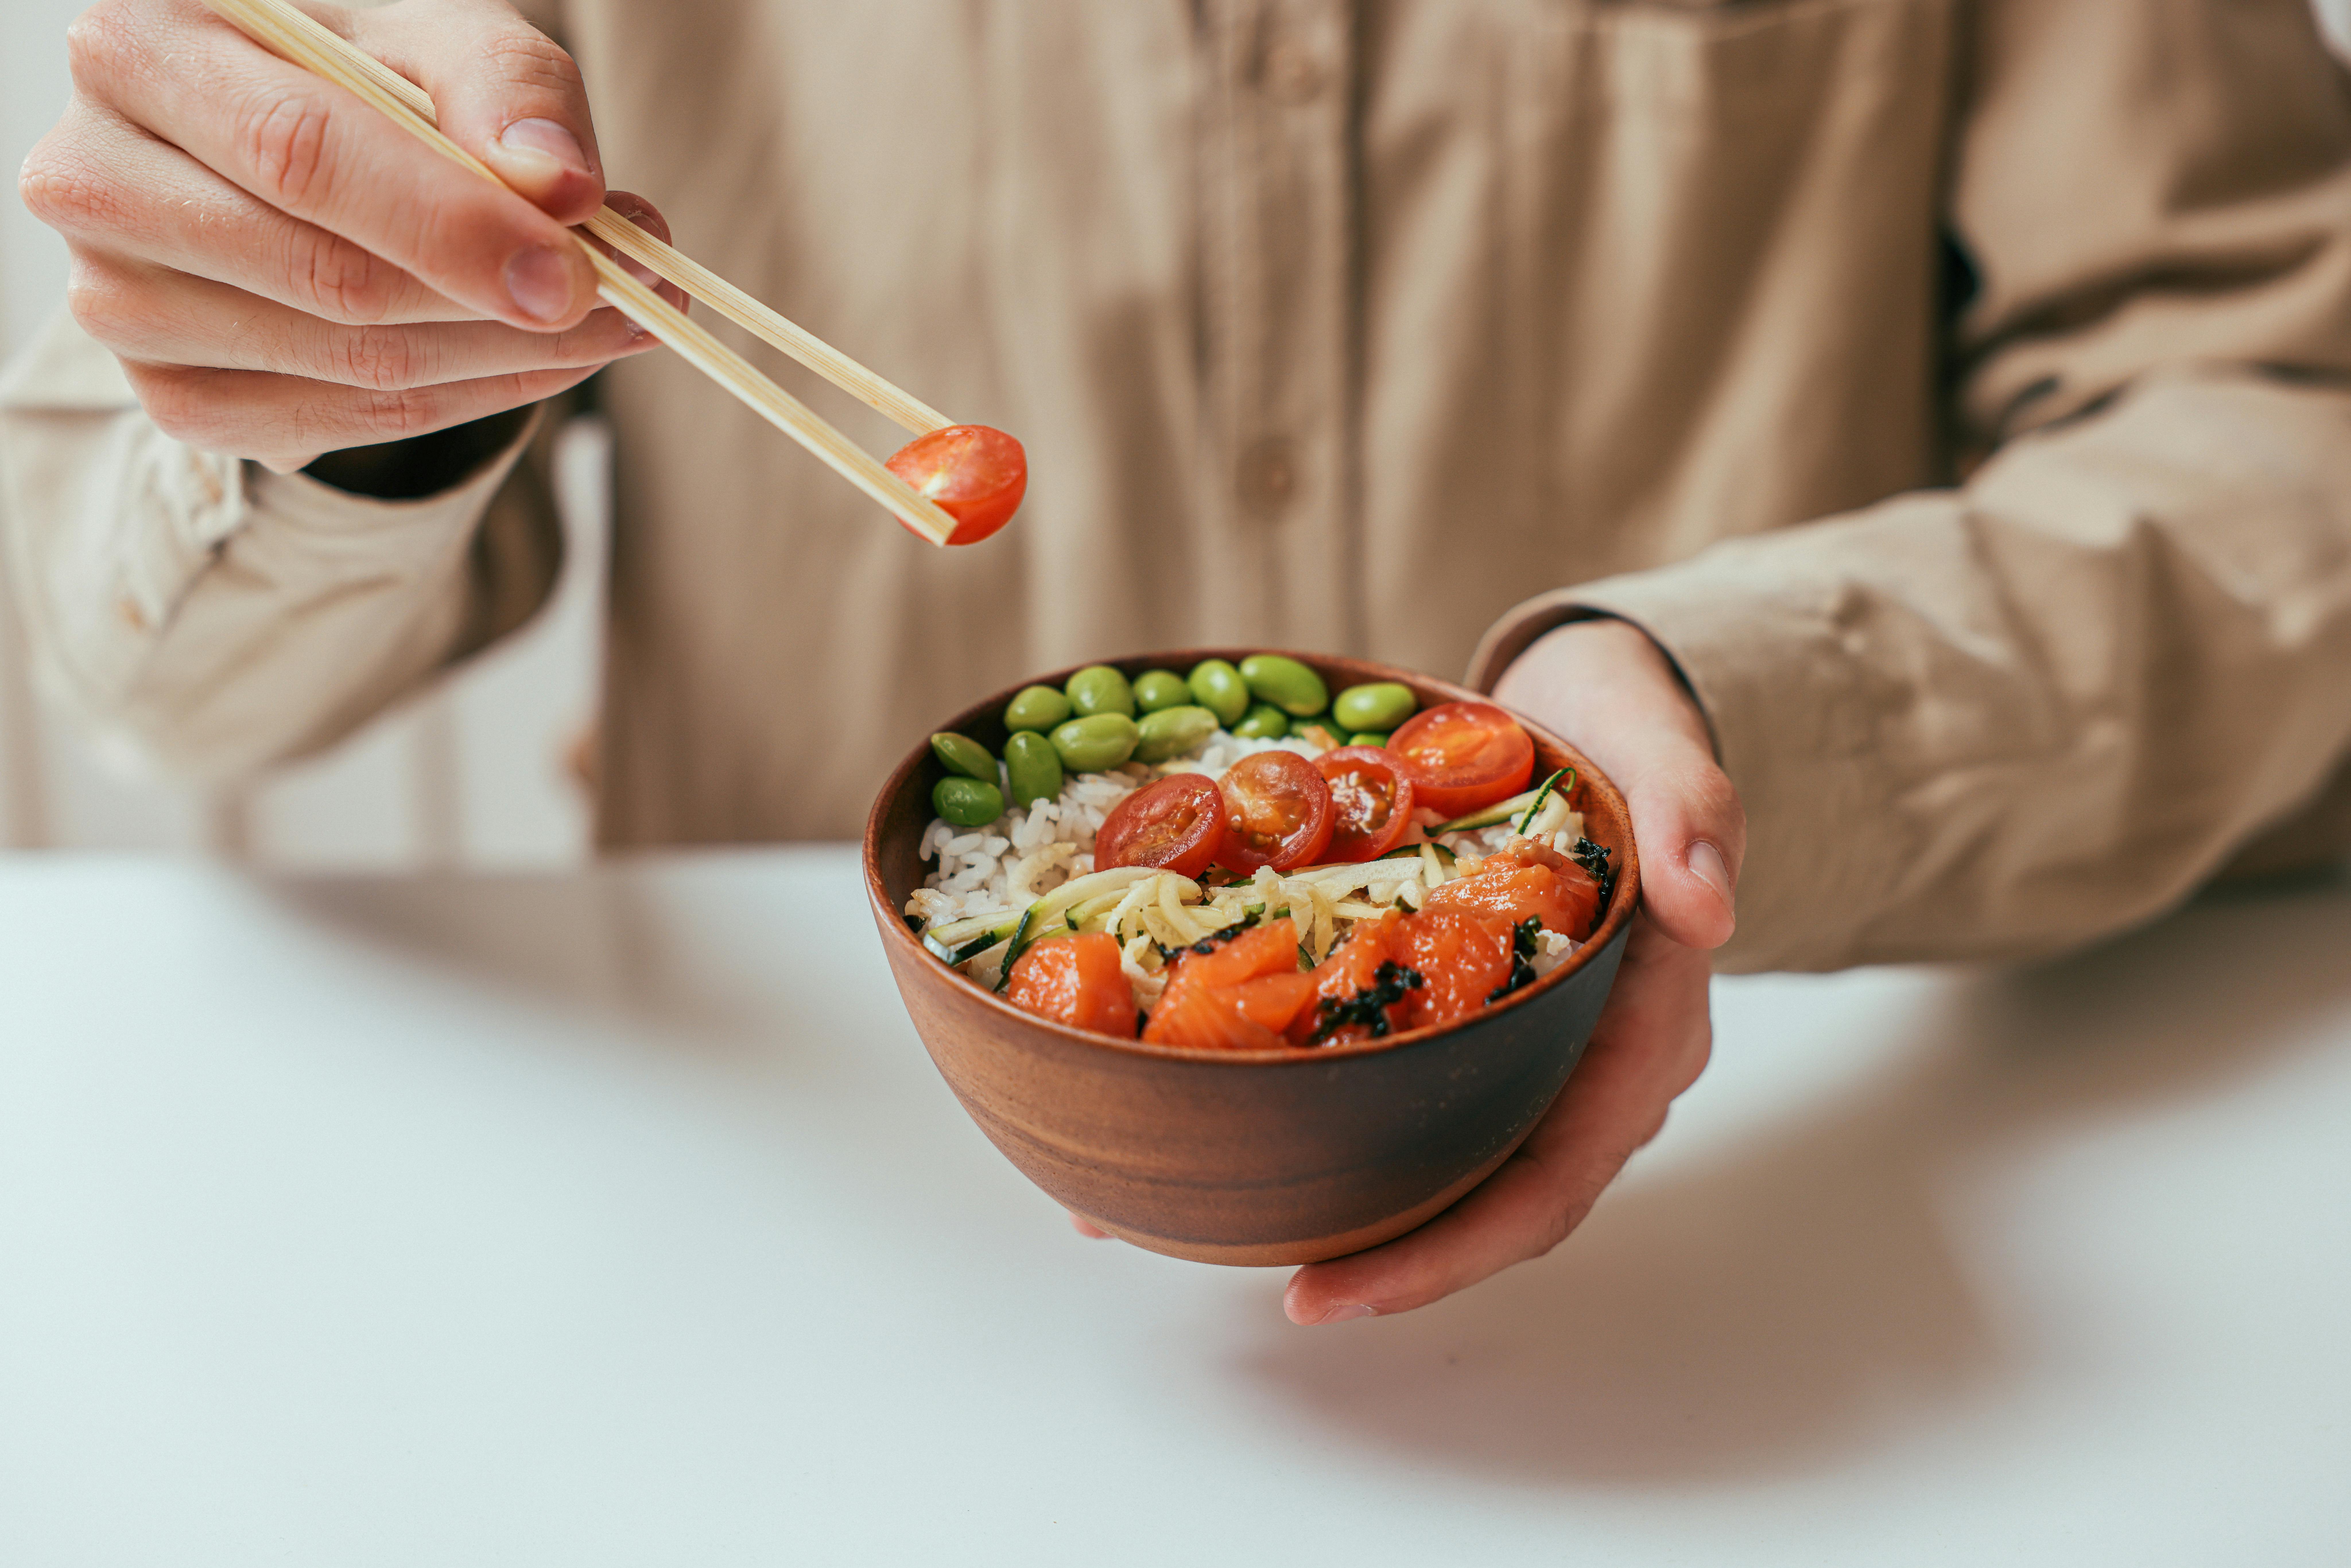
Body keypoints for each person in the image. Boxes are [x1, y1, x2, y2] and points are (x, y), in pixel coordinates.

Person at [5, 0, 2349, 1325]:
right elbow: (150, 660)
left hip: (1779, 1242)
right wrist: (338, 385)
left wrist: (1735, 703)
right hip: (783, 1254)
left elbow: (2285, 407)